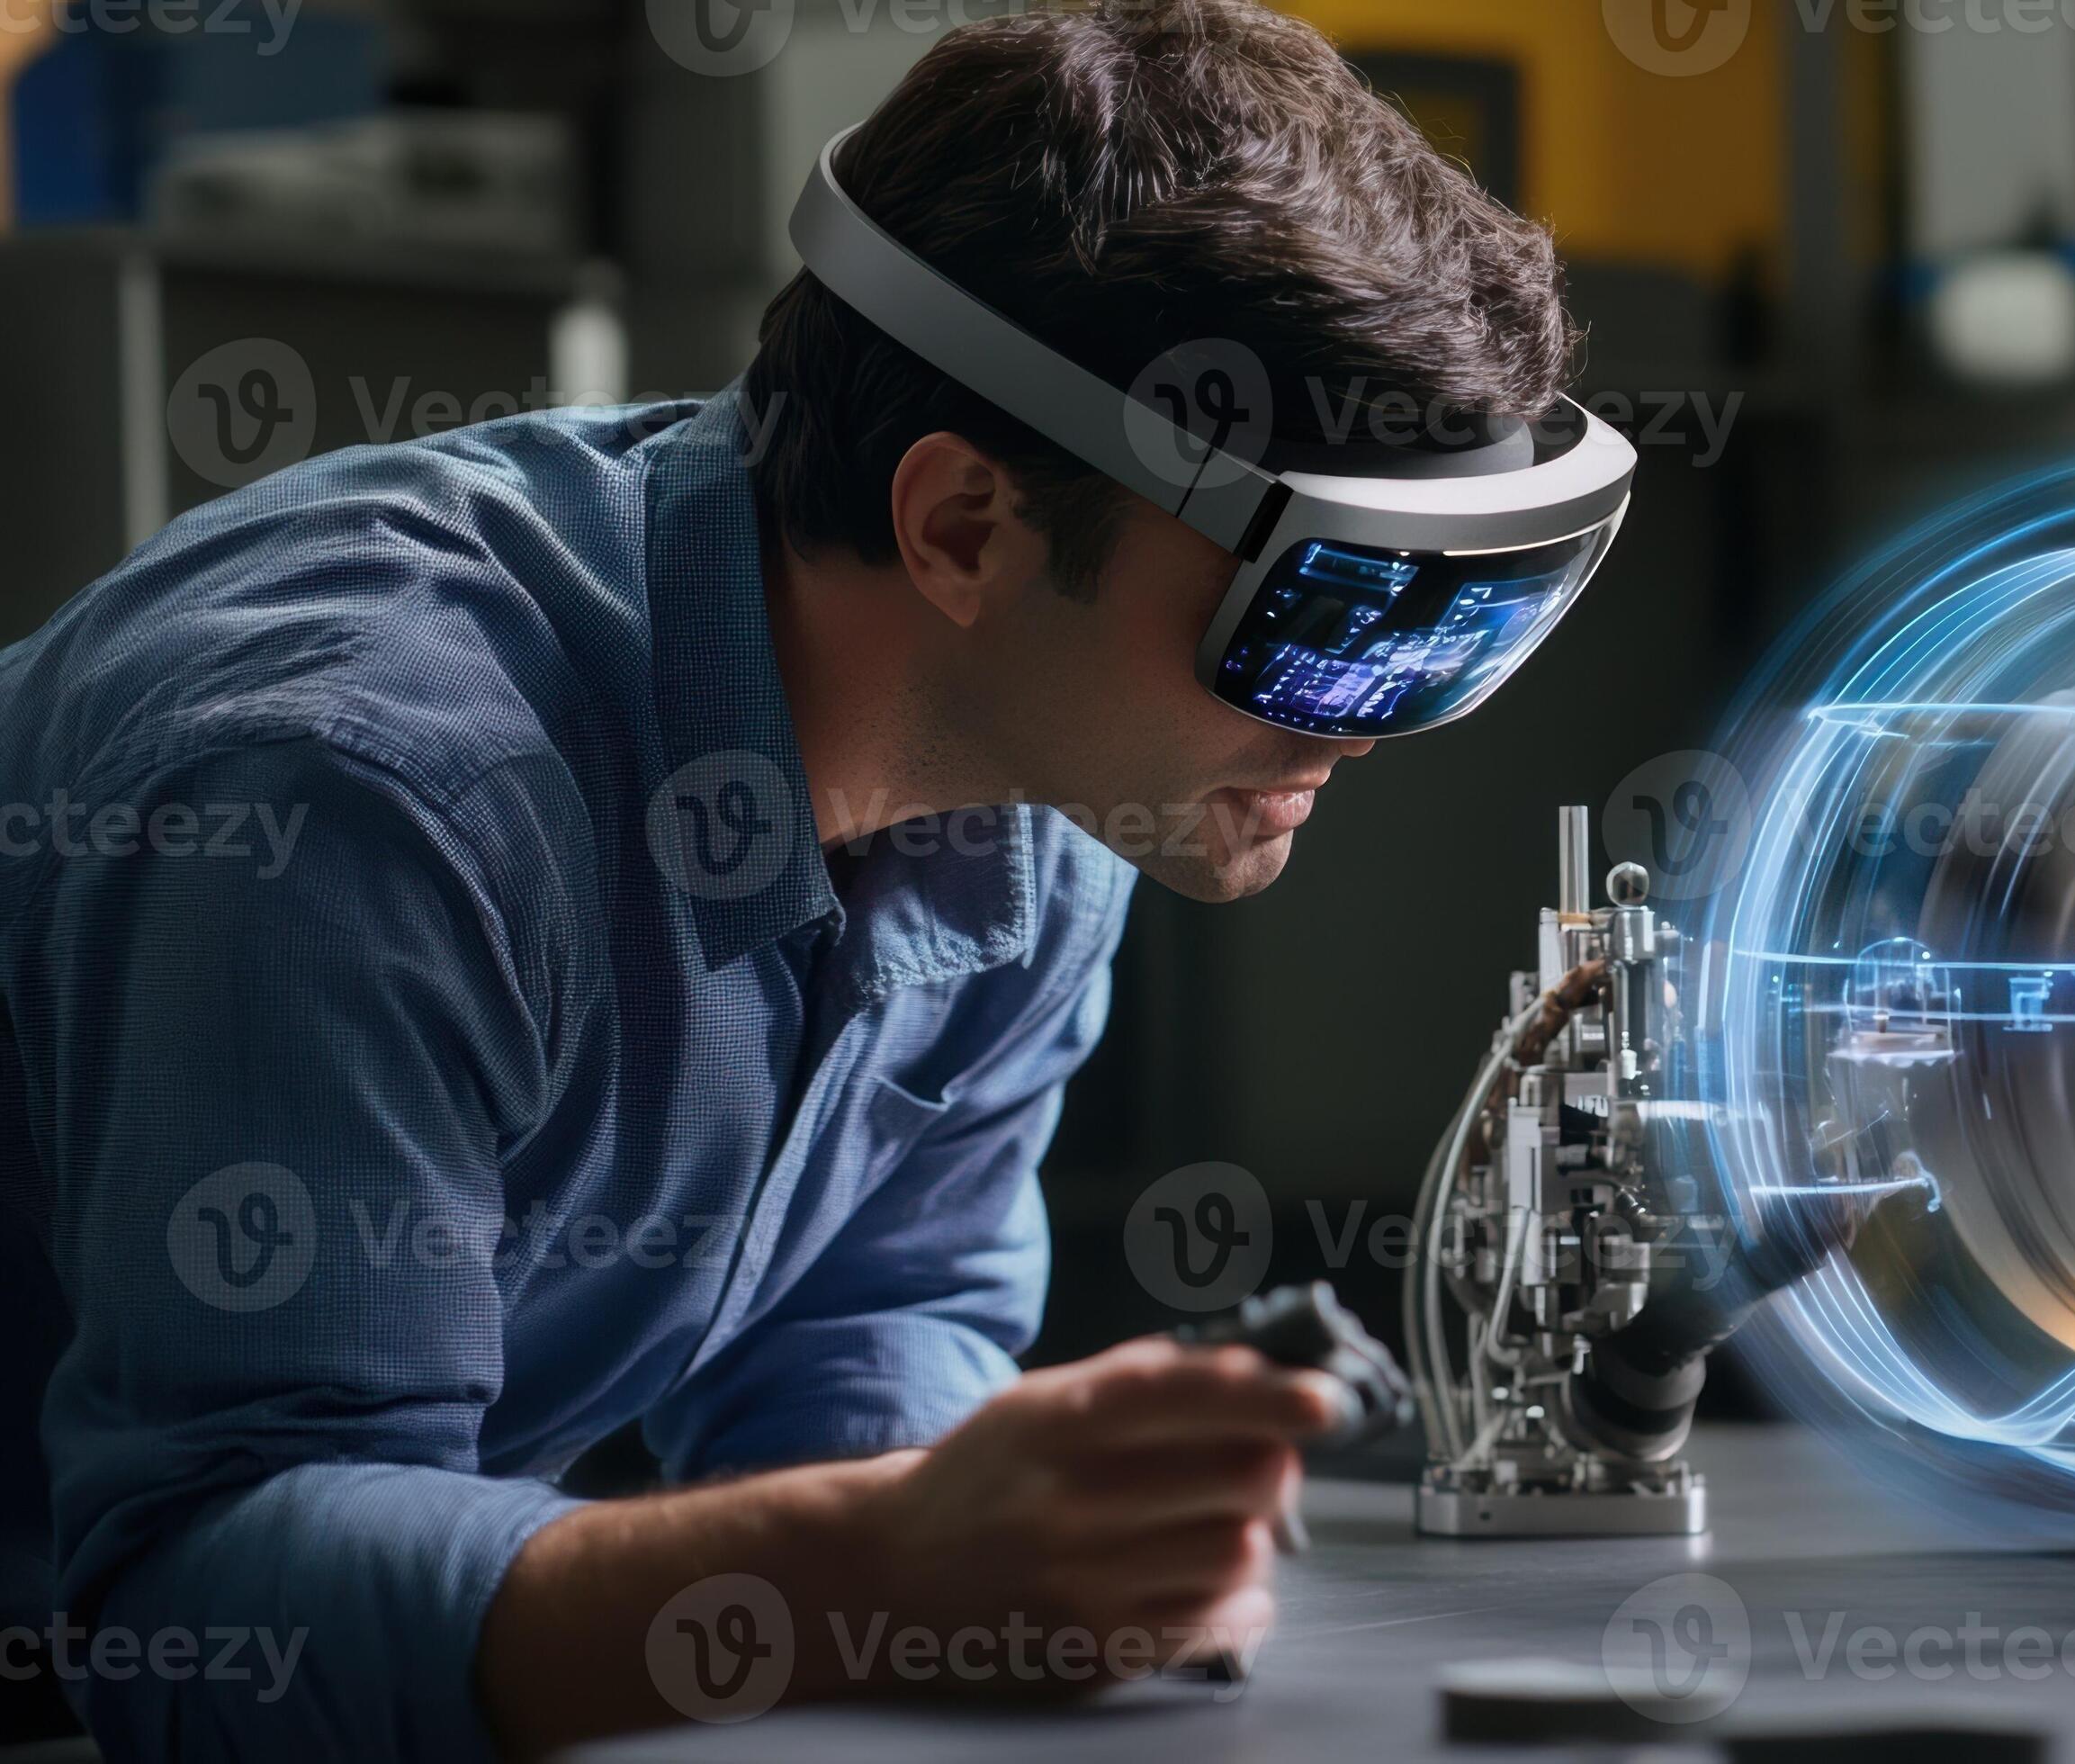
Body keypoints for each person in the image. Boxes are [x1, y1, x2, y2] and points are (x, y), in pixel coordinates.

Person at [0, 4, 1610, 1753]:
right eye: (1311, 622)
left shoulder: (1046, 789)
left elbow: (868, 1308)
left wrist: (1029, 1536)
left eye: (1453, 629)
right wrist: (881, 1568)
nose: (1368, 730)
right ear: (963, 529)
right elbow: (198, 1597)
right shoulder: (367, 793)